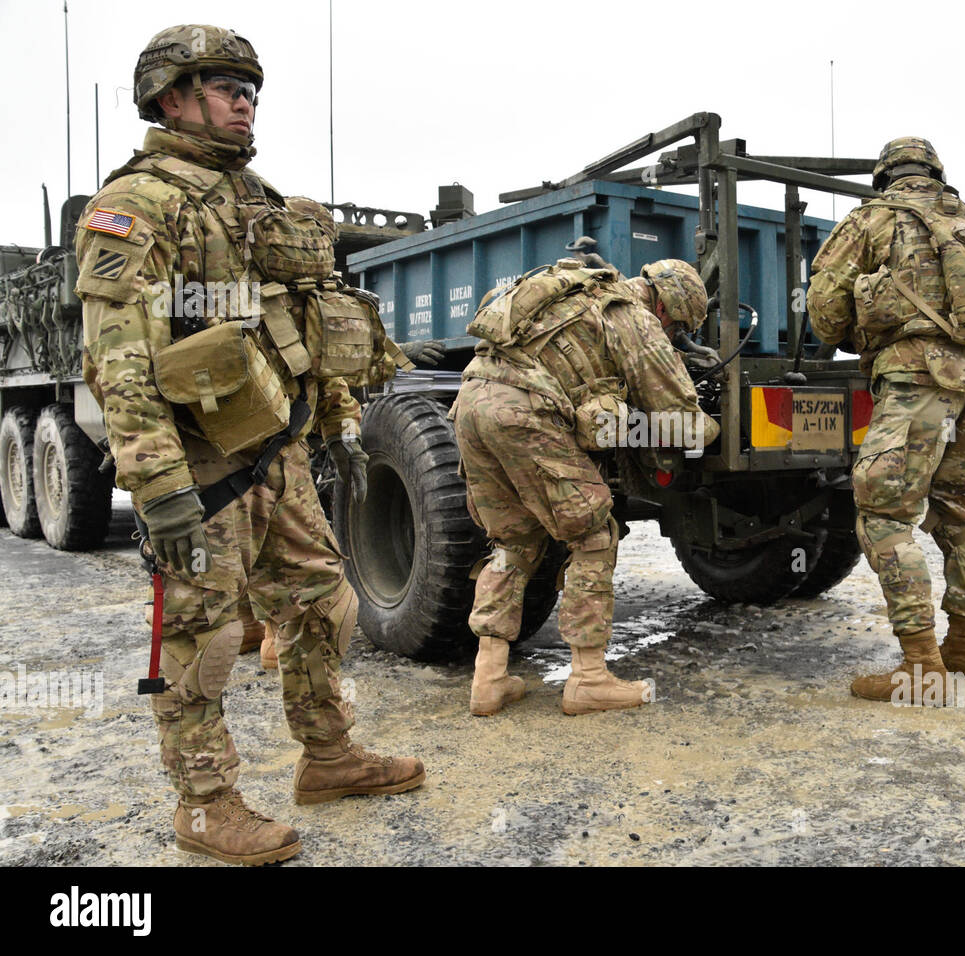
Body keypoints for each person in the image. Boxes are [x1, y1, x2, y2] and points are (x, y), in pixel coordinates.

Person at [76, 24, 424, 865]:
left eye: (251, 89)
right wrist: (157, 487)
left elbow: (298, 317)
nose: (245, 102)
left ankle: (330, 756)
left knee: (319, 602)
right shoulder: (137, 205)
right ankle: (203, 805)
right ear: (171, 98)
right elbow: (117, 357)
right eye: (225, 87)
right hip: (198, 467)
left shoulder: (254, 198)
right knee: (198, 637)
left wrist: (332, 418)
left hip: (277, 451)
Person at [451, 258, 719, 716]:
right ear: (667, 310)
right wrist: (715, 429)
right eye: (679, 331)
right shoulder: (631, 315)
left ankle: (489, 679)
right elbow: (679, 419)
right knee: (594, 534)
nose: (676, 338)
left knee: (514, 541)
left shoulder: (576, 294)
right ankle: (589, 679)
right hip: (524, 413)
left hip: (471, 404)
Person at [808, 137, 965, 705]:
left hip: (914, 383)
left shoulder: (872, 220)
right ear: (935, 173)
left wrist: (863, 329)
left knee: (883, 515)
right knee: (963, 518)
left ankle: (921, 665)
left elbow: (825, 310)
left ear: (886, 177)